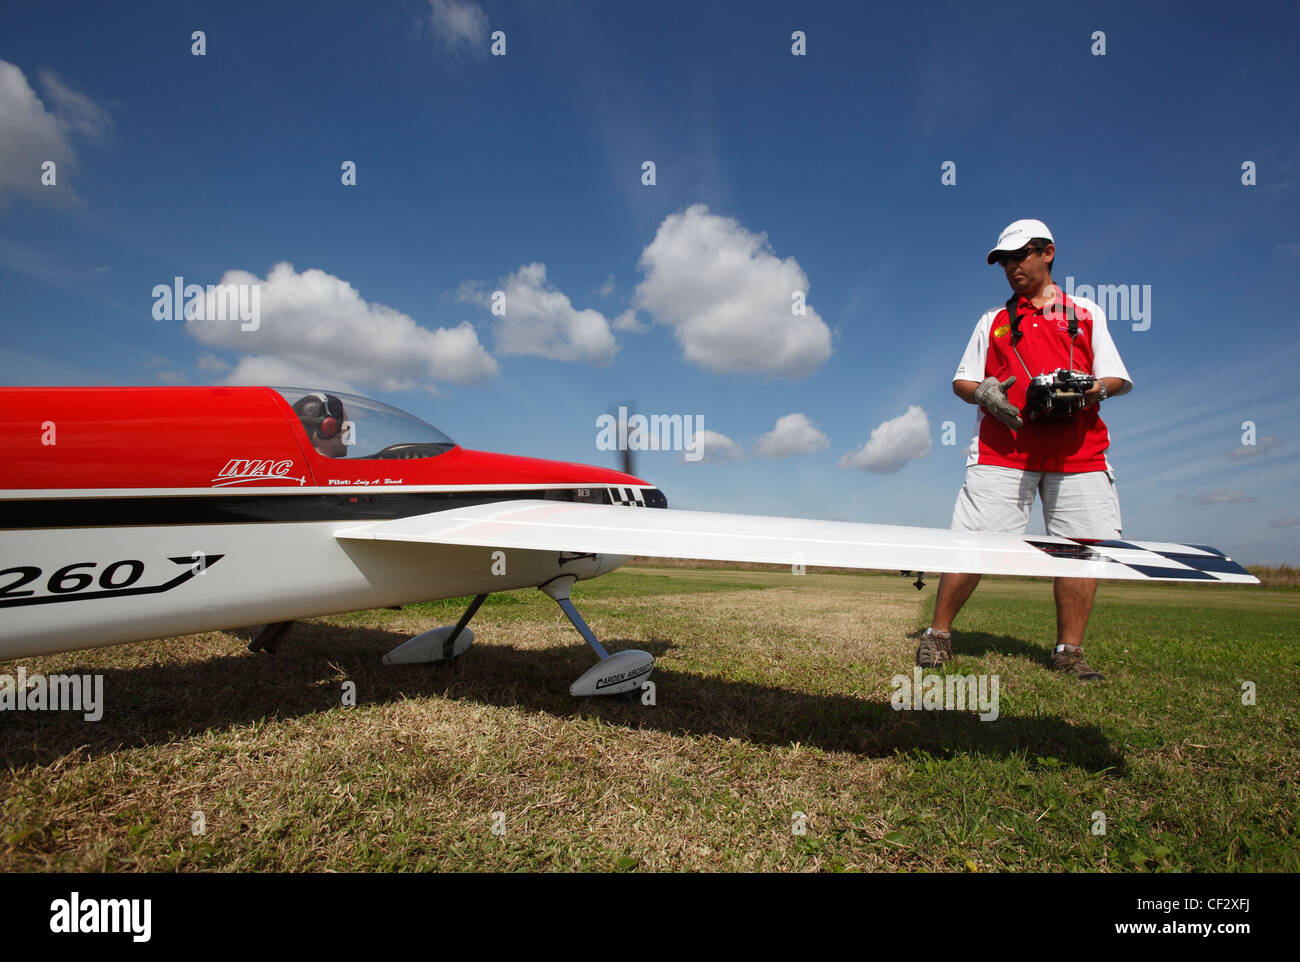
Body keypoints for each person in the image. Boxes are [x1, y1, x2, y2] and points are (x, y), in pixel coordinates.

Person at [916, 219, 1133, 681]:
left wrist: (1090, 390)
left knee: (1081, 550)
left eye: (1020, 256)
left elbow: (1116, 377)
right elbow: (962, 380)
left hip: (1079, 454)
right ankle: (937, 637)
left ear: (1048, 252)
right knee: (973, 545)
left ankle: (1068, 652)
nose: (1011, 266)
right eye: (1005, 261)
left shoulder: (1087, 312)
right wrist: (983, 394)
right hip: (1003, 451)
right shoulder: (991, 320)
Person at [292, 392, 349, 458]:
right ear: (328, 426)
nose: (349, 432)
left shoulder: (287, 466)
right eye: (347, 426)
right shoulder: (325, 468)